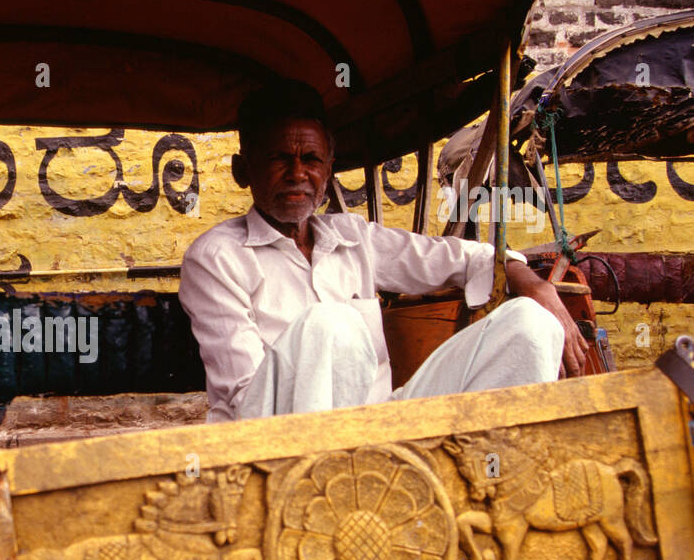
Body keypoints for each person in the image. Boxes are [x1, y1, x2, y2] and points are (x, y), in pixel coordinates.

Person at [179, 83, 589, 423]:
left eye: (312, 160)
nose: (298, 174)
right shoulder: (216, 257)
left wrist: (536, 287)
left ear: (328, 170)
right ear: (242, 170)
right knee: (332, 322)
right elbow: (244, 398)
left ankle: (486, 484)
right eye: (278, 160)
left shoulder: (353, 236)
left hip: (378, 431)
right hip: (273, 441)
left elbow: (465, 258)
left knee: (529, 324)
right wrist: (319, 348)